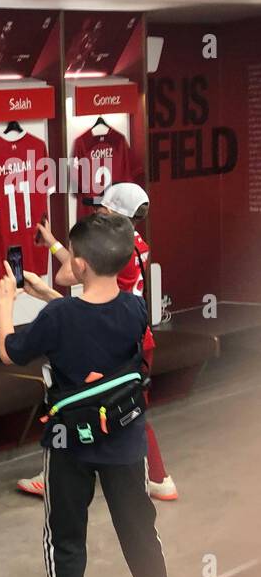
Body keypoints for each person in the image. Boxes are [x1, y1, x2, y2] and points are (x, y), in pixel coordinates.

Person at [0, 212, 180, 577]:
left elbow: (10, 350)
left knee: (66, 538)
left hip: (68, 445)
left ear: (78, 266)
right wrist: (52, 296)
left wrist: (6, 302)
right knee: (140, 533)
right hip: (124, 438)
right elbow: (95, 322)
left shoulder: (60, 317)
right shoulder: (134, 307)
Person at [15, 183, 175, 500]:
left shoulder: (113, 250)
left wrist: (52, 268)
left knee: (71, 403)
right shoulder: (135, 244)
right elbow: (81, 267)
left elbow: (67, 275)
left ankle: (56, 477)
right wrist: (52, 242)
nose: (97, 213)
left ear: (115, 214)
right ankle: (158, 478)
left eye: (102, 209)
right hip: (136, 336)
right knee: (126, 406)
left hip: (110, 337)